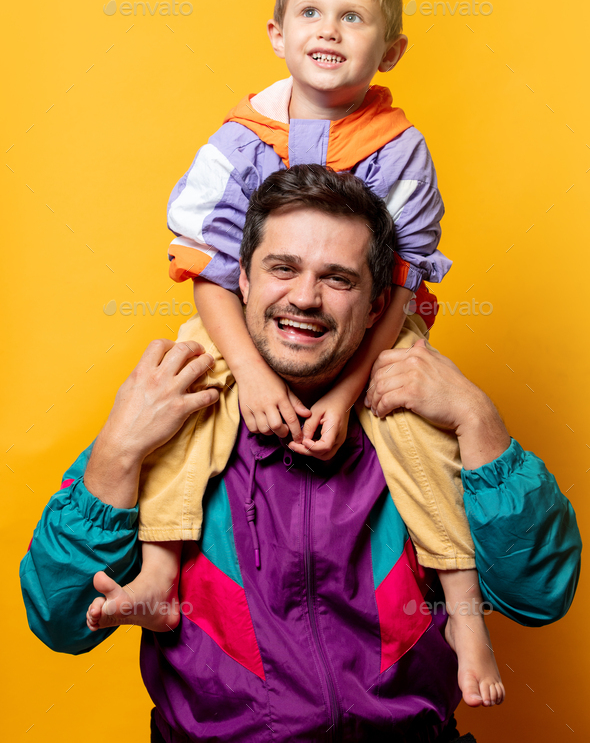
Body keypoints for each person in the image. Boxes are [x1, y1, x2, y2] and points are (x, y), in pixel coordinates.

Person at [21, 168, 581, 742]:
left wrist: (479, 420)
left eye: (337, 278)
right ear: (241, 279)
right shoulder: (177, 422)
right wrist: (116, 448)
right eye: (282, 268)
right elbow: (59, 619)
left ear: (376, 306)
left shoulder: (422, 432)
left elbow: (540, 594)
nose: (305, 298)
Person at [130, 0, 501, 706]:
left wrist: (349, 391)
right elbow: (202, 263)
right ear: (277, 33)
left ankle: (465, 613)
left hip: (369, 333)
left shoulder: (399, 149)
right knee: (186, 398)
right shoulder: (238, 139)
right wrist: (255, 375)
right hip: (241, 324)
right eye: (310, 11)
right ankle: (160, 566)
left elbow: (402, 282)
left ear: (391, 50)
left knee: (419, 431)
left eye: (353, 16)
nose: (328, 29)